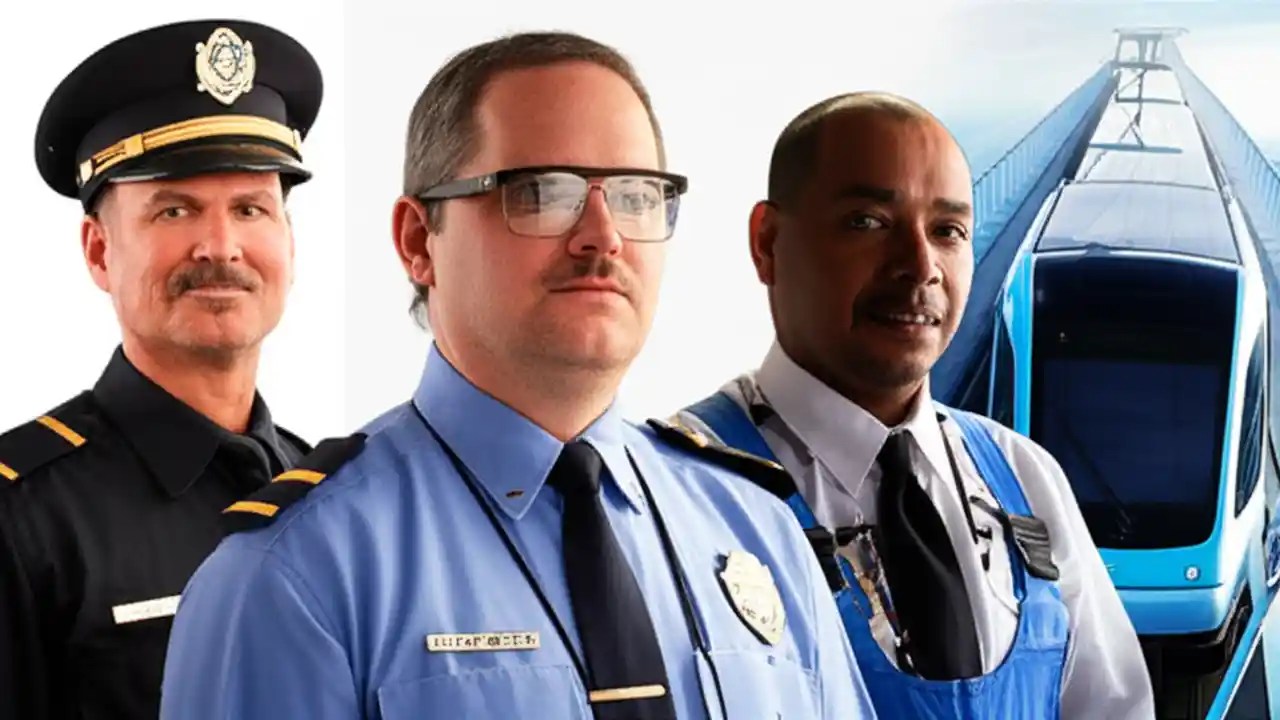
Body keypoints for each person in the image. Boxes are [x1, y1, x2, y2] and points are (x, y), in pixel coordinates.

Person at [158, 31, 876, 720]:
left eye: (634, 194)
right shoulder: (295, 575)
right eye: (541, 193)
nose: (603, 236)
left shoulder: (758, 531)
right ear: (418, 241)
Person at [674, 92, 1156, 719]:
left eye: (948, 231)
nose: (919, 265)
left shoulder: (1026, 480)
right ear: (767, 243)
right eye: (868, 222)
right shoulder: (675, 494)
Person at [0, 19, 324, 720]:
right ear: (98, 251)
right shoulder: (20, 517)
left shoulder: (333, 496)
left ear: (289, 244)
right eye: (174, 210)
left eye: (250, 208)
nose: (221, 246)